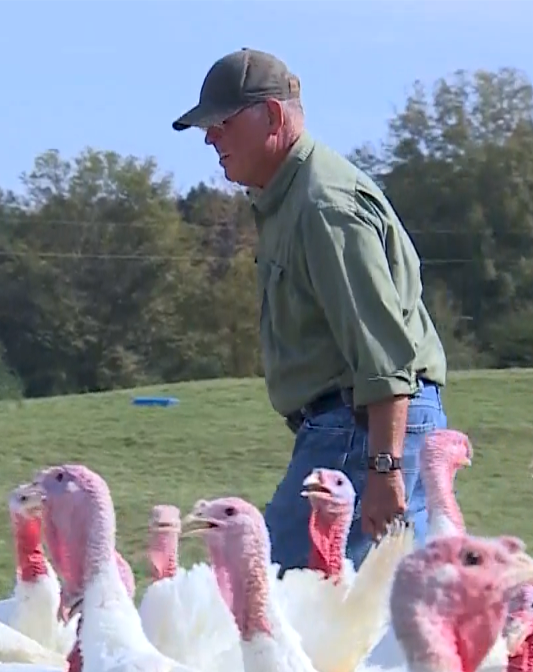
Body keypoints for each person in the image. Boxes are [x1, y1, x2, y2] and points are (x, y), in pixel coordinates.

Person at [171, 48, 450, 574]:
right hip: (364, 427)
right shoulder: (291, 196)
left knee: (273, 595)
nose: (210, 138)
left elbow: (382, 351)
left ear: (273, 116)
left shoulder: (324, 205)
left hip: (361, 428)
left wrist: (383, 466)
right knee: (388, 606)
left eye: (222, 123)